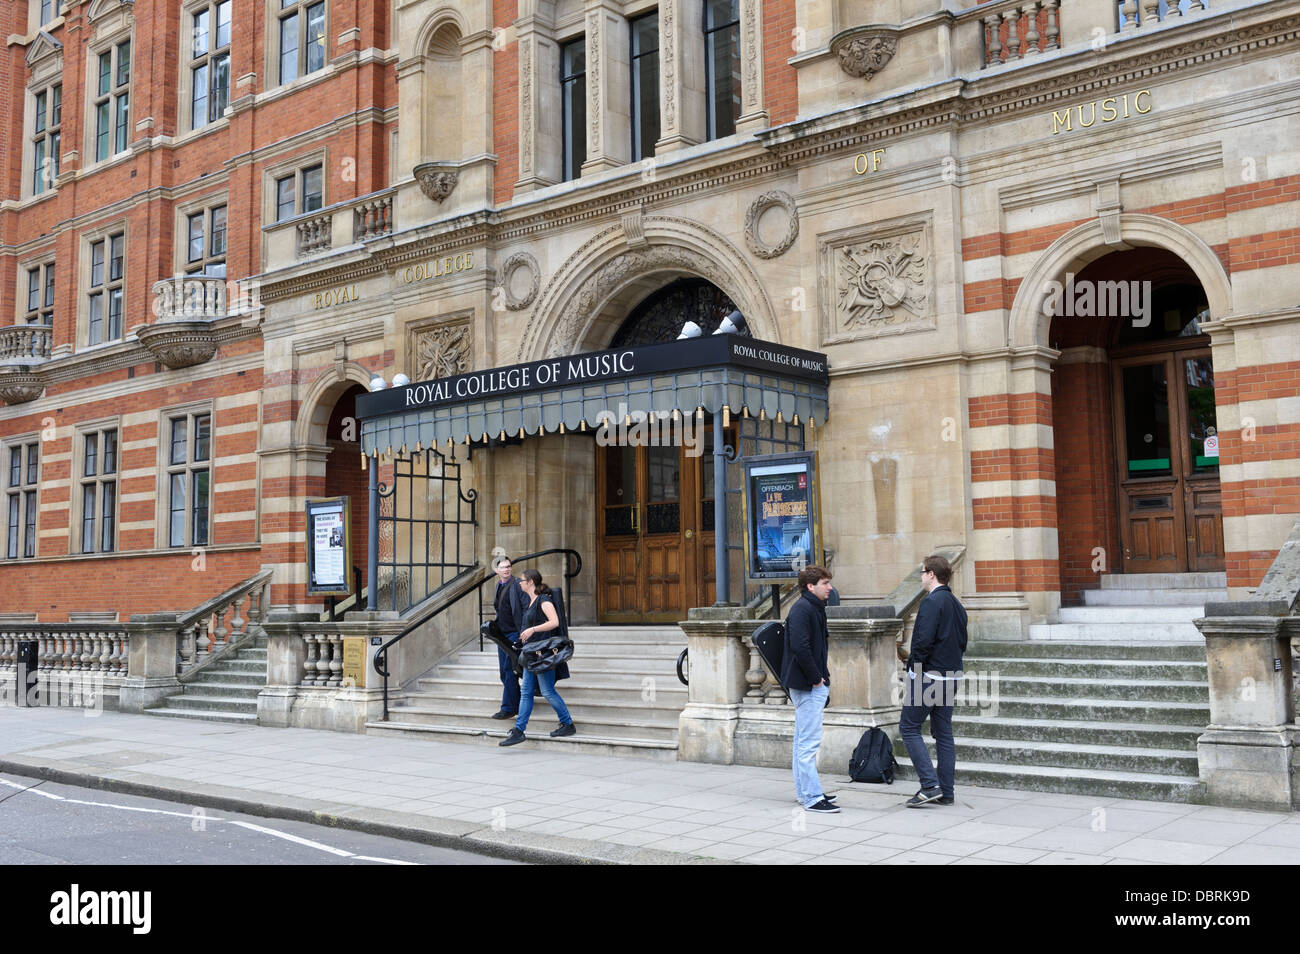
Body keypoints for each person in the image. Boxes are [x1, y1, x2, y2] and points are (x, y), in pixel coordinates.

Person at [899, 554, 968, 807]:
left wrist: (915, 671)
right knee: (944, 733)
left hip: (930, 677)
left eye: (923, 572)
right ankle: (946, 792)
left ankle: (930, 785)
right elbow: (963, 642)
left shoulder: (931, 602)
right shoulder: (956, 604)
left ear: (931, 574)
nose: (921, 576)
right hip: (951, 675)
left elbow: (922, 642)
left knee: (908, 726)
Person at [780, 565, 839, 814]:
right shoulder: (803, 609)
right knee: (808, 744)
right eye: (825, 583)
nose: (830, 587)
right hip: (807, 685)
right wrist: (817, 679)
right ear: (810, 586)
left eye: (829, 582)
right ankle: (813, 798)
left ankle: (806, 792)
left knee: (802, 742)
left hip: (808, 683)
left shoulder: (812, 608)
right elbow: (801, 648)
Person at [499, 569, 576, 746]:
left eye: (523, 580)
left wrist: (533, 630)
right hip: (531, 654)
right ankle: (519, 731)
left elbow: (554, 622)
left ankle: (568, 723)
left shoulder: (544, 600)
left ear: (531, 582)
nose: (520, 583)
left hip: (543, 655)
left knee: (547, 691)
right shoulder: (530, 601)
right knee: (526, 692)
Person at [489, 555, 526, 720]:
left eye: (509, 566)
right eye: (503, 567)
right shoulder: (498, 585)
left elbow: (525, 608)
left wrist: (522, 632)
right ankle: (516, 704)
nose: (507, 569)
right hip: (502, 635)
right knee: (504, 673)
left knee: (509, 671)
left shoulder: (517, 584)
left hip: (514, 634)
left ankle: (508, 708)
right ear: (496, 570)